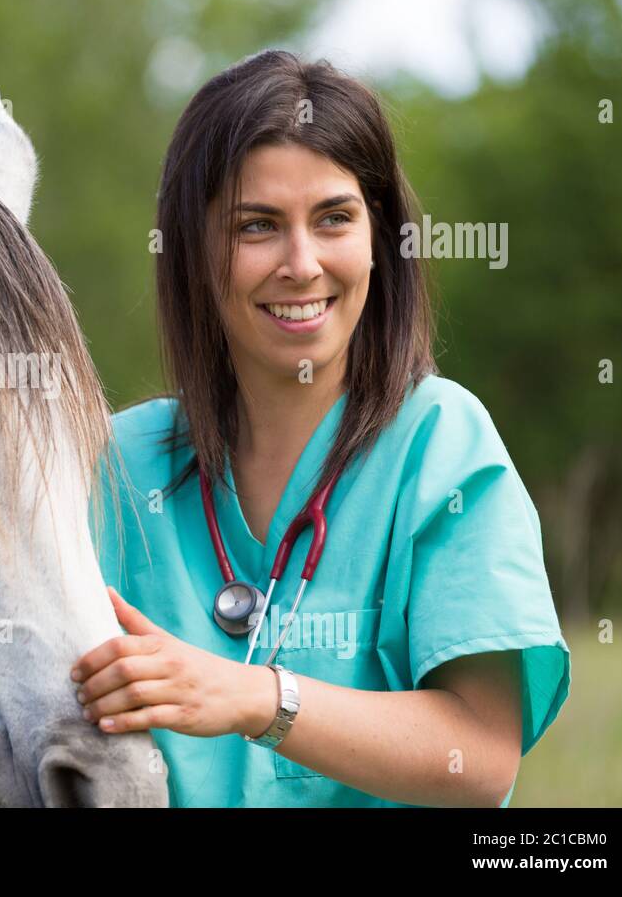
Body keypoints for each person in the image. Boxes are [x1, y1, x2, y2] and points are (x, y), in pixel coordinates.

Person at [75, 49, 570, 807]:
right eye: (258, 226)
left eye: (334, 218)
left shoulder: (441, 444)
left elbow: (482, 757)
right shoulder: (115, 467)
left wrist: (257, 698)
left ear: (380, 238)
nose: (302, 264)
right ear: (195, 251)